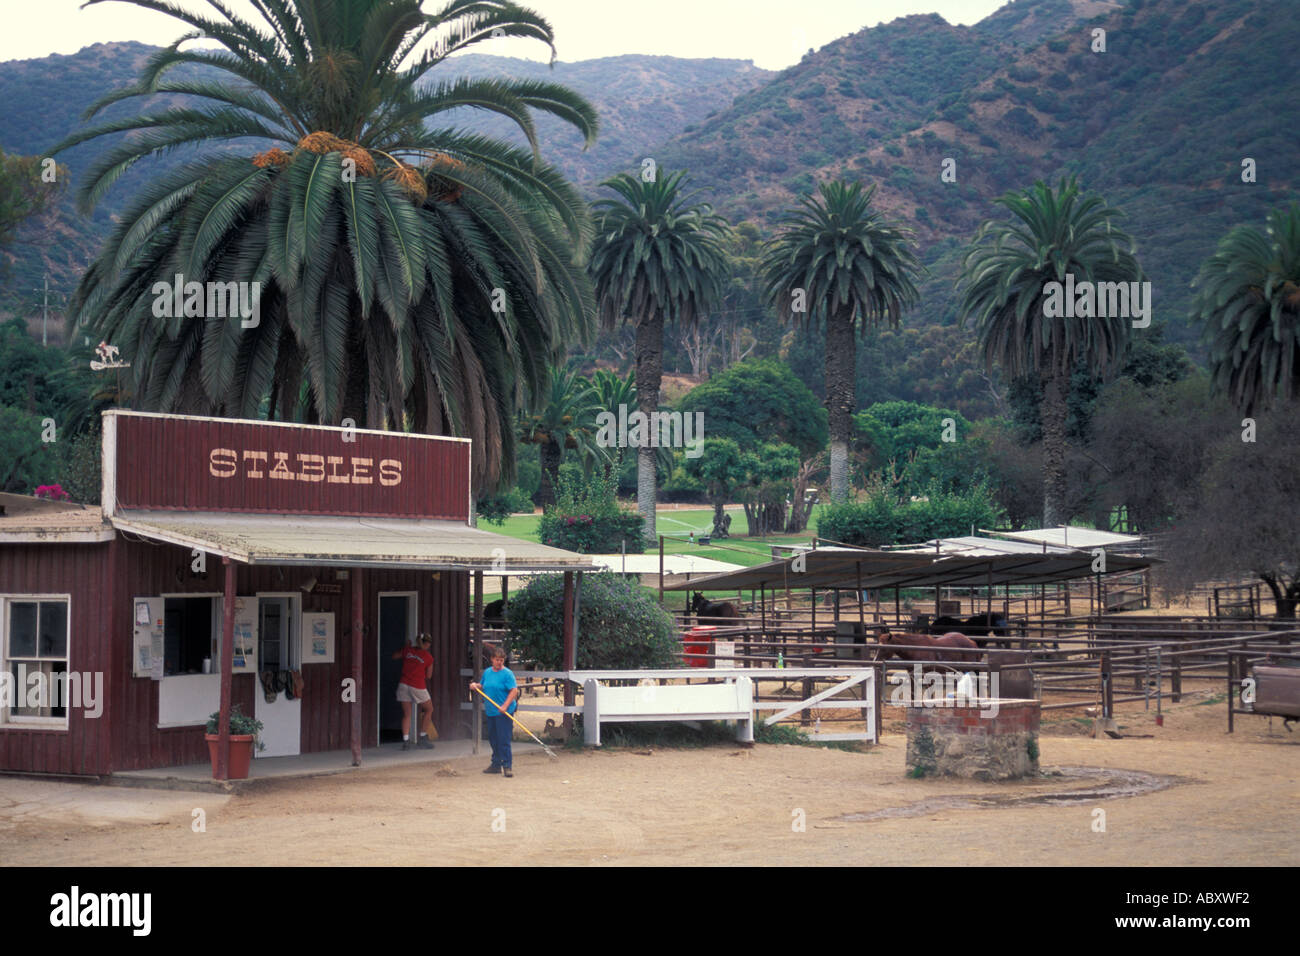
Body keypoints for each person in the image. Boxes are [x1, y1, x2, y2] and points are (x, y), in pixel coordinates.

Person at [469, 645, 519, 777]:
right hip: (491, 711)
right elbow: (483, 685)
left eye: (501, 660)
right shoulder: (487, 673)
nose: (499, 662)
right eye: (497, 659)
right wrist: (475, 685)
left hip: (504, 712)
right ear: (492, 659)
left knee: (503, 739)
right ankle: (496, 764)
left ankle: (507, 766)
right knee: (493, 739)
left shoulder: (507, 674)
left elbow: (514, 690)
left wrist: (505, 705)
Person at [392, 633, 435, 750]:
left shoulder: (408, 650)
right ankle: (422, 737)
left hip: (403, 684)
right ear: (427, 644)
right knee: (429, 709)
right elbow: (429, 676)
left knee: (407, 714)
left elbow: (394, 656)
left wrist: (406, 648)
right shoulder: (428, 657)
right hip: (417, 685)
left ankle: (406, 741)